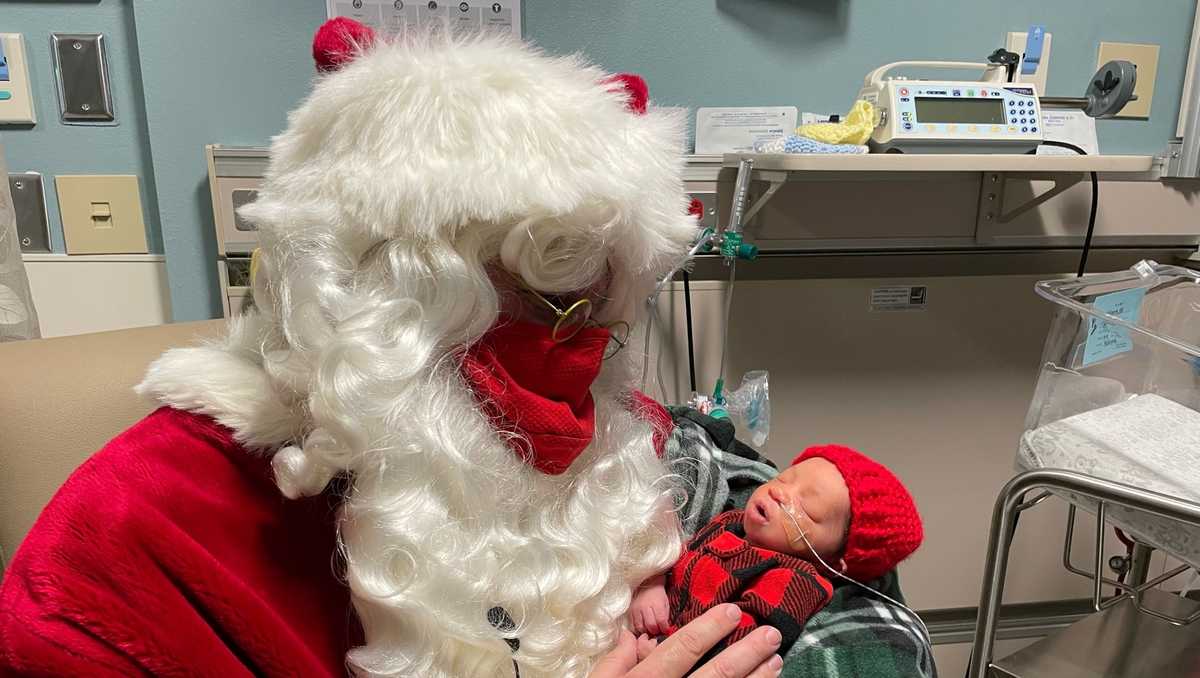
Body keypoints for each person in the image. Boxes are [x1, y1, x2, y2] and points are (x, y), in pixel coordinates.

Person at [629, 445, 923, 657]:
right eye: (784, 478)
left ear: (834, 562)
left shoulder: (796, 581)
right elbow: (677, 554)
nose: (779, 492)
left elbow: (738, 641)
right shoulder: (731, 522)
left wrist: (665, 649)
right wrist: (652, 582)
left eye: (807, 507)